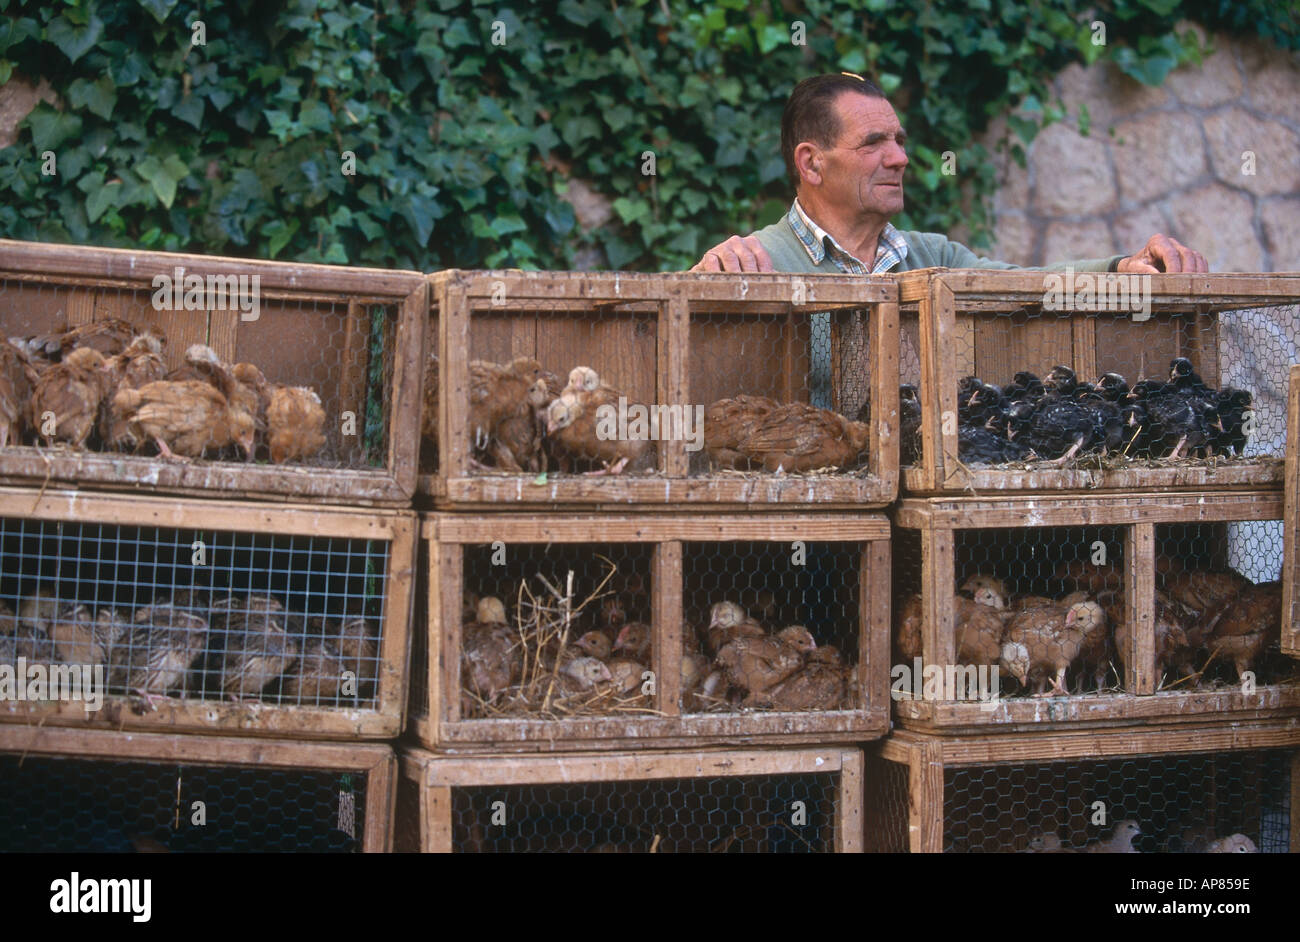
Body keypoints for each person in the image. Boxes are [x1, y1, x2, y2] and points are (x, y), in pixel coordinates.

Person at [690, 72, 1208, 275]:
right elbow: (665, 334)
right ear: (811, 162)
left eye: (899, 141)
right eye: (873, 143)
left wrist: (1120, 268)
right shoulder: (755, 261)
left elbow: (1028, 286)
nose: (899, 158)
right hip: (823, 509)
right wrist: (703, 282)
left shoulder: (931, 256)